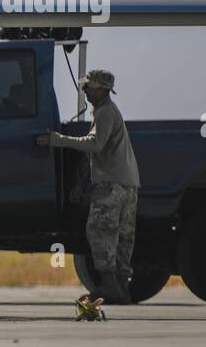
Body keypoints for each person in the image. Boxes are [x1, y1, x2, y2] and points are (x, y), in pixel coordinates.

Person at [36, 69, 140, 304]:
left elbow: (95, 144)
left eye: (89, 86)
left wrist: (57, 139)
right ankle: (121, 288)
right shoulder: (110, 111)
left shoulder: (105, 112)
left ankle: (110, 286)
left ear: (102, 89)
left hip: (111, 184)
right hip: (128, 183)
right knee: (123, 236)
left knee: (100, 230)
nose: (84, 90)